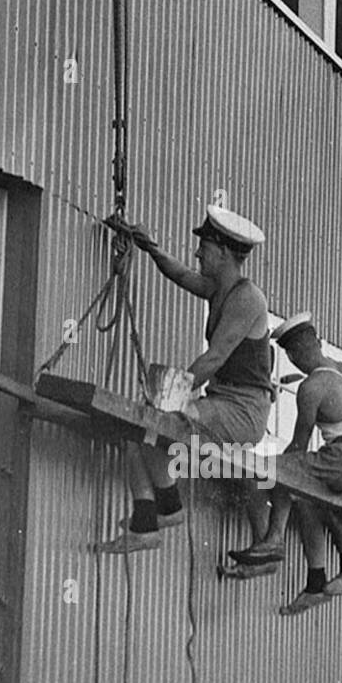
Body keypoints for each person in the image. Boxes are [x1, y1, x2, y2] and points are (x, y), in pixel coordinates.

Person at [96, 205, 273, 553]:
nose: (197, 254)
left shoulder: (248, 298)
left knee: (160, 418)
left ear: (223, 253)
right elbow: (179, 274)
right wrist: (150, 247)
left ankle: (169, 506)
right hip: (222, 401)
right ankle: (149, 521)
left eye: (204, 249)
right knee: (138, 425)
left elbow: (215, 357)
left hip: (244, 411)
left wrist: (172, 392)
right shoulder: (217, 288)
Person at [229, 313, 342, 615]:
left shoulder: (313, 386)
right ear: (319, 342)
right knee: (306, 497)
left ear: (293, 355)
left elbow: (297, 447)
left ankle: (271, 541)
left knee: (266, 470)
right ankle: (319, 580)